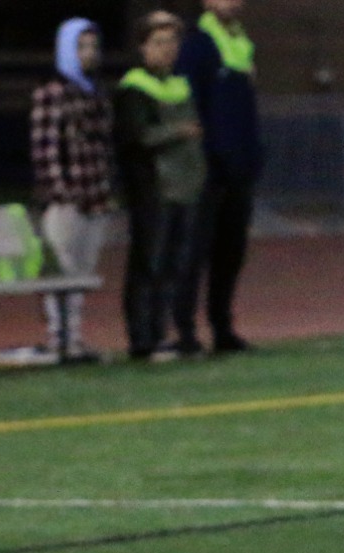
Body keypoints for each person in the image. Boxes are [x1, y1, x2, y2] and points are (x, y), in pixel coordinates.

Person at [114, 11, 206, 360]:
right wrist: (178, 132)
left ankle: (161, 333)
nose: (167, 49)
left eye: (172, 41)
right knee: (148, 265)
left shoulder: (179, 84)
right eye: (158, 42)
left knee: (173, 266)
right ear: (142, 47)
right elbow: (136, 137)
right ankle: (142, 339)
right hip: (154, 190)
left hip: (184, 187)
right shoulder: (134, 88)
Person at [175, 0, 263, 355]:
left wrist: (253, 156)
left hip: (240, 169)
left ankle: (222, 327)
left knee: (230, 253)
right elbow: (190, 104)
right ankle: (184, 330)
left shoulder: (242, 43)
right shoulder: (197, 46)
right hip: (208, 170)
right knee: (194, 253)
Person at [30, 17, 114, 362]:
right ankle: (58, 337)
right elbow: (45, 149)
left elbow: (102, 147)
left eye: (93, 46)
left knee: (82, 271)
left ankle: (74, 337)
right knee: (60, 269)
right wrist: (60, 191)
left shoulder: (96, 94)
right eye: (81, 46)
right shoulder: (51, 94)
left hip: (96, 196)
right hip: (67, 200)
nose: (89, 54)